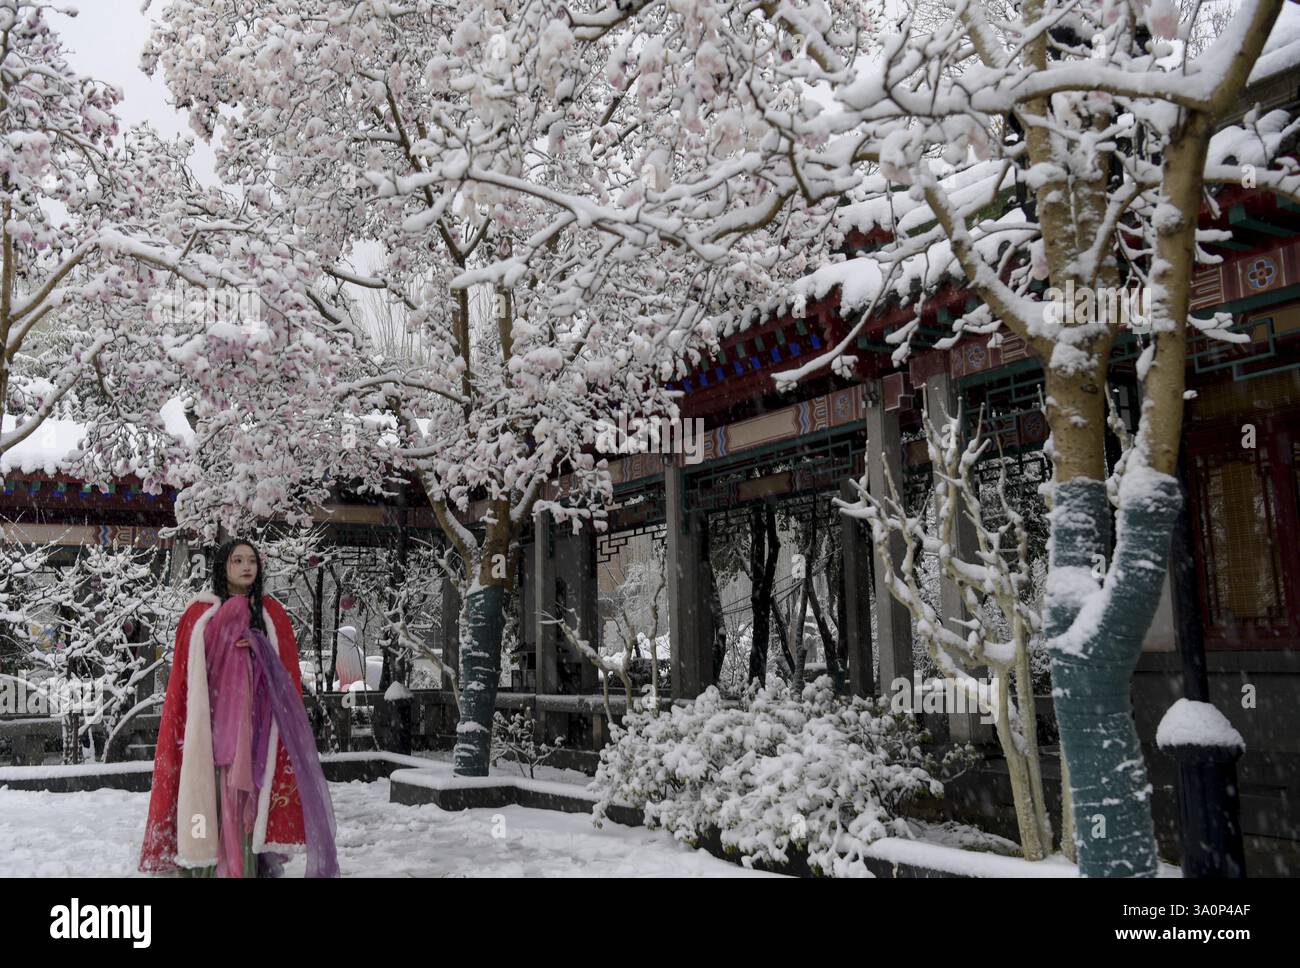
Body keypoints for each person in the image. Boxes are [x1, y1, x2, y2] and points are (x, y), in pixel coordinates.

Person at [138, 539, 339, 877]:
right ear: (223, 566)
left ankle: (239, 871)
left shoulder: (270, 614)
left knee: (242, 807)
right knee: (205, 806)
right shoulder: (199, 614)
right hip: (210, 731)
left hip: (254, 734)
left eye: (251, 561)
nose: (246, 567)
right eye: (237, 560)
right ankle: (204, 867)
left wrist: (259, 646)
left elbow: (285, 676)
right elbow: (185, 679)